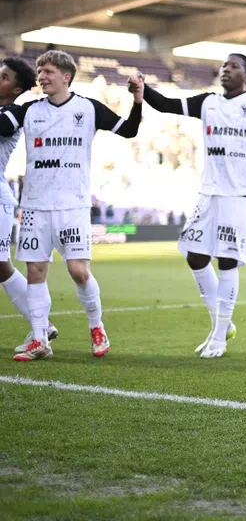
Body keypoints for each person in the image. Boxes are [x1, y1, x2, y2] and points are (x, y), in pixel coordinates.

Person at [135, 54, 246, 357]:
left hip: (237, 196)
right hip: (208, 193)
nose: (225, 70)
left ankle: (219, 334)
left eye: (234, 66)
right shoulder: (208, 102)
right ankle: (222, 323)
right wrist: (142, 88)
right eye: (224, 66)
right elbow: (166, 105)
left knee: (227, 262)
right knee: (194, 256)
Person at [1, 50, 143, 360]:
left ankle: (96, 326)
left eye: (49, 71)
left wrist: (138, 100)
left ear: (67, 76)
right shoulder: (28, 110)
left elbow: (129, 130)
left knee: (78, 271)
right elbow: (3, 124)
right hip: (36, 206)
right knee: (36, 271)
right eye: (41, 71)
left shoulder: (88, 108)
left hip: (73, 206)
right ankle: (39, 339)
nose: (43, 77)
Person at [0, 57, 60, 351]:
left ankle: (42, 324)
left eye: (4, 76)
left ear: (16, 88)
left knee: (0, 264)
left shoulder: (14, 112)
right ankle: (42, 324)